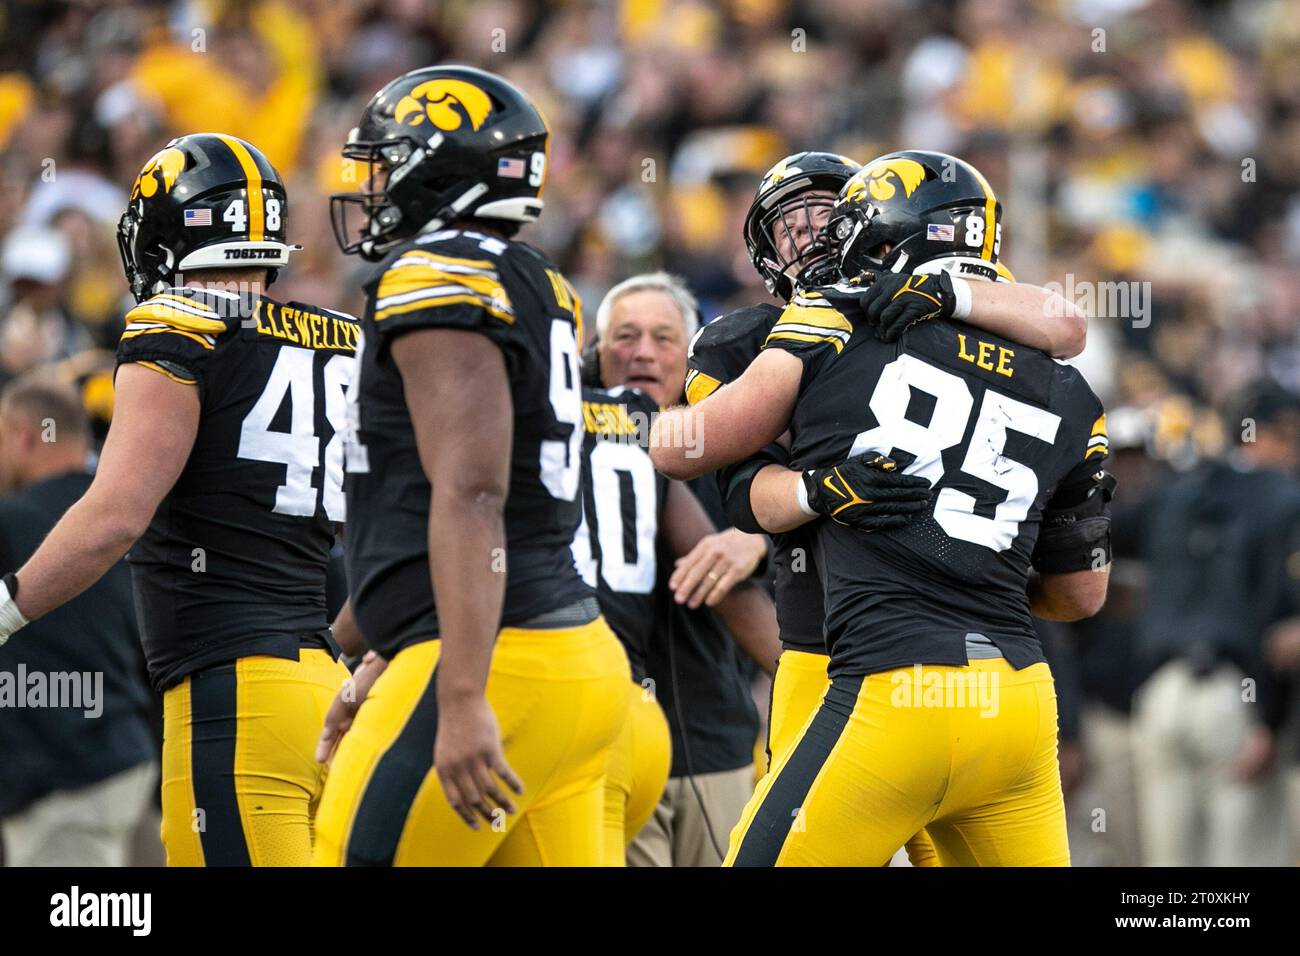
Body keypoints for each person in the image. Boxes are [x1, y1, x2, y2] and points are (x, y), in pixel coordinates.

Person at [652, 150, 1113, 865]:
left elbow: (682, 446)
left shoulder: (833, 327)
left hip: (881, 672)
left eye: (831, 219)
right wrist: (958, 555)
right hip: (1002, 683)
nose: (812, 237)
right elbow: (1080, 593)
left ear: (872, 229)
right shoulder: (1068, 388)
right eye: (794, 224)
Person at [0, 133, 356, 866]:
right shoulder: (339, 340)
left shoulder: (178, 330)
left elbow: (115, 516)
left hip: (235, 697)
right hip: (325, 683)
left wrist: (6, 608)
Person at [313, 65, 629, 867]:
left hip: (499, 659)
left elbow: (474, 490)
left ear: (437, 169)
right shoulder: (538, 280)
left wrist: (456, 692)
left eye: (386, 167)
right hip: (568, 654)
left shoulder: (436, 274)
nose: (373, 189)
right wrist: (377, 648)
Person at [578, 272, 781, 866]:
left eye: (664, 338)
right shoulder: (562, 444)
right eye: (625, 336)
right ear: (594, 352)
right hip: (599, 736)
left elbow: (824, 533)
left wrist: (758, 540)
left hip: (711, 738)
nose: (642, 351)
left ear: (693, 356)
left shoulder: (736, 448)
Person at [1131, 380, 1299, 866]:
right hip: (1235, 699)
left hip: (1161, 695)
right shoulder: (1282, 498)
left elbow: (1108, 549)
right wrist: (1268, 717)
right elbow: (1277, 615)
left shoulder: (1175, 492)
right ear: (1277, 432)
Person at [0, 374, 156, 866]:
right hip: (131, 758)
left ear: (23, 435)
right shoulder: (131, 515)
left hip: (63, 774)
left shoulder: (12, 521)